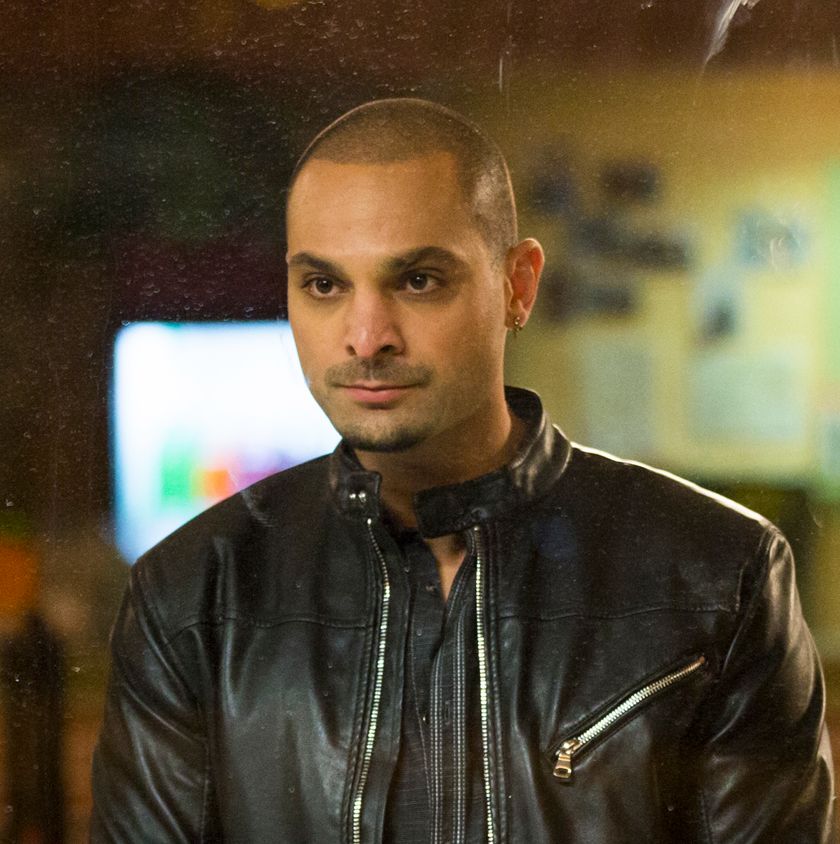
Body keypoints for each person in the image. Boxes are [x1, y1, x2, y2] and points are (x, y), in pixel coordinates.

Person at [91, 98, 835, 842]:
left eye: (417, 281)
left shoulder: (721, 575)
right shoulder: (189, 597)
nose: (366, 337)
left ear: (518, 285)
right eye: (324, 285)